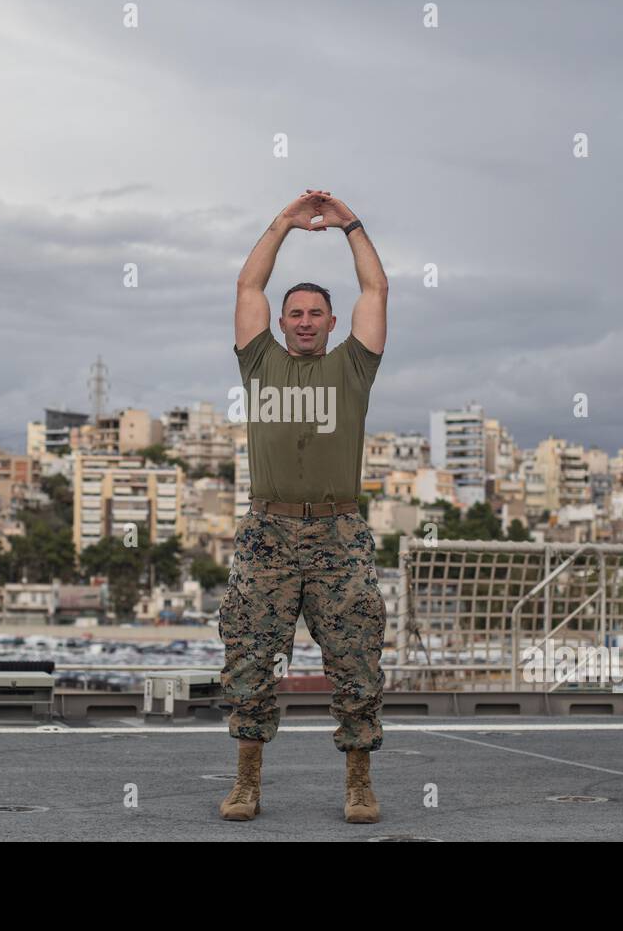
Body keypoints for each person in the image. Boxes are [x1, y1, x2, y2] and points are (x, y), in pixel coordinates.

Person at [218, 189, 389, 824]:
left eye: (318, 312)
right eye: (296, 312)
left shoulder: (353, 368)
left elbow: (376, 292)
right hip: (267, 531)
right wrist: (284, 223)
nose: (307, 320)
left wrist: (351, 226)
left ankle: (360, 783)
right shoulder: (258, 362)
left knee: (356, 659)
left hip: (340, 533)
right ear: (282, 322)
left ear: (332, 322)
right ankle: (246, 784)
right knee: (250, 657)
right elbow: (247, 284)